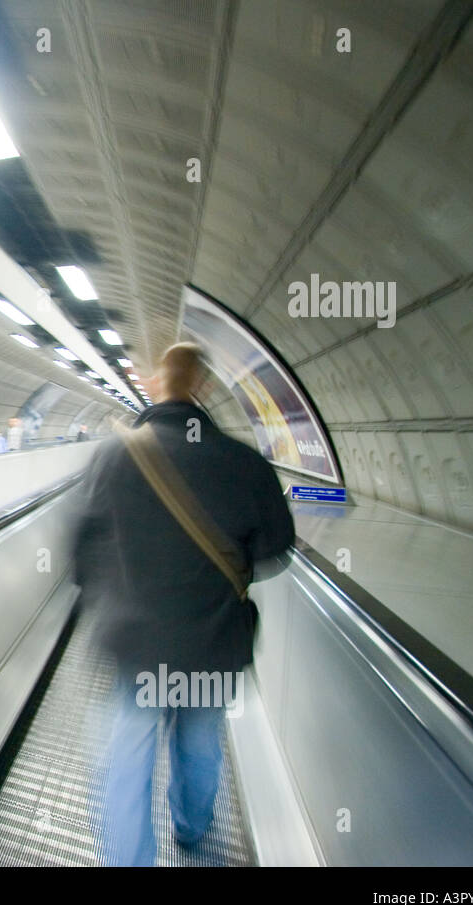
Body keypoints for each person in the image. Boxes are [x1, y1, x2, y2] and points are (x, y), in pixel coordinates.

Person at [72, 342, 294, 866]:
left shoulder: (110, 456)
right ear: (205, 386)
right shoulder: (245, 464)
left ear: (154, 383)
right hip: (213, 644)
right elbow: (274, 551)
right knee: (199, 745)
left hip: (136, 646)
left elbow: (80, 558)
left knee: (125, 762)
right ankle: (193, 833)